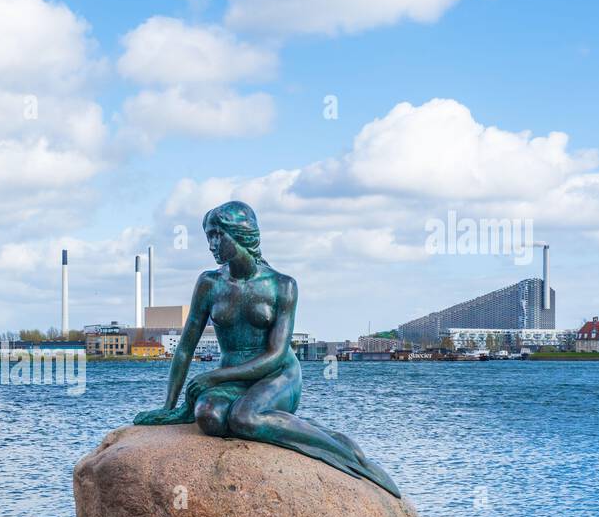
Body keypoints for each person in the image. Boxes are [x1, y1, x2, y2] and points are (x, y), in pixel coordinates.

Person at [134, 201, 401, 497]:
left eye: (218, 235)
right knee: (208, 417)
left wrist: (214, 377)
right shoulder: (209, 283)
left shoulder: (282, 285)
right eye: (209, 236)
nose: (212, 244)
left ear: (242, 234)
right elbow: (185, 348)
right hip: (233, 378)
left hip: (277, 375)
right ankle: (296, 426)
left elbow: (275, 355)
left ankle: (345, 453)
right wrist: (169, 408)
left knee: (244, 418)